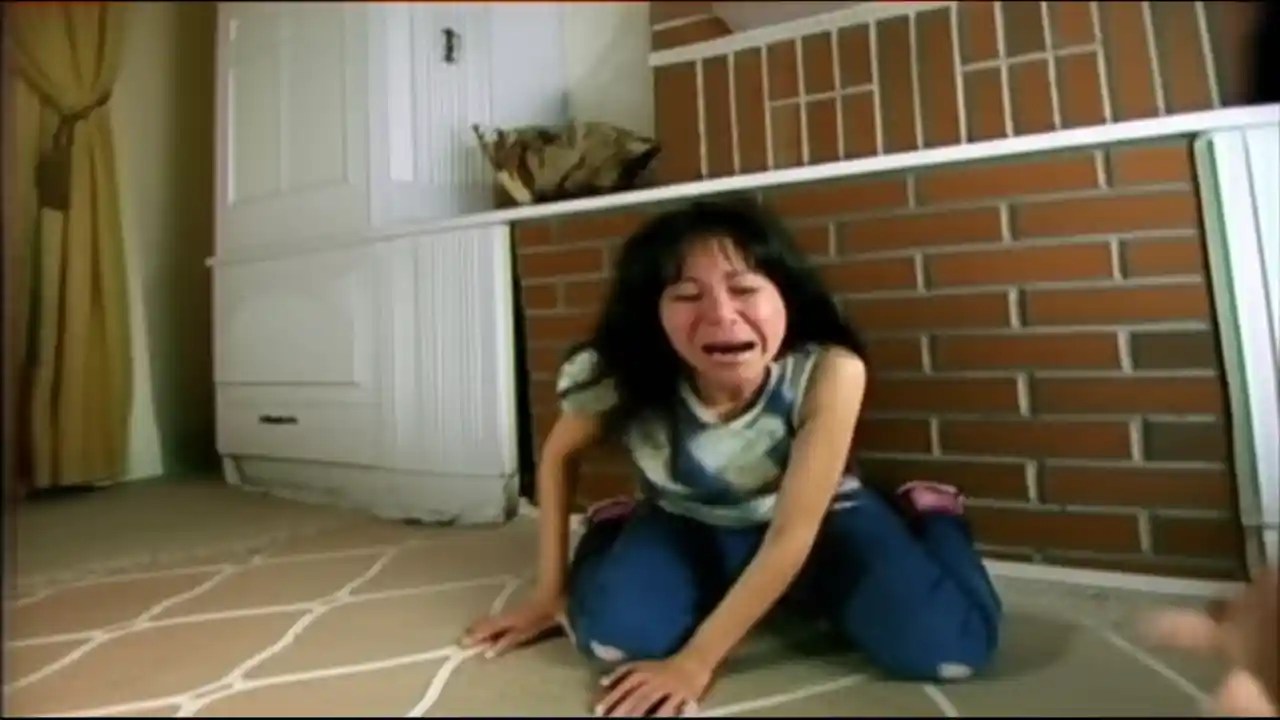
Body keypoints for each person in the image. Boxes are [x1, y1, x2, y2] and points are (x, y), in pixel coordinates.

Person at [460, 197, 1003, 716]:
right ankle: (615, 529)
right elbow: (557, 459)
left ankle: (935, 519)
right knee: (611, 643)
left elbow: (793, 531)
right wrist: (547, 594)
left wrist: (696, 662)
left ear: (784, 296)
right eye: (686, 295)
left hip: (817, 519)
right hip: (681, 514)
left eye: (744, 288)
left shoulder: (829, 372)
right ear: (653, 313)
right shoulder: (617, 372)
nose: (722, 315)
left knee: (947, 652)